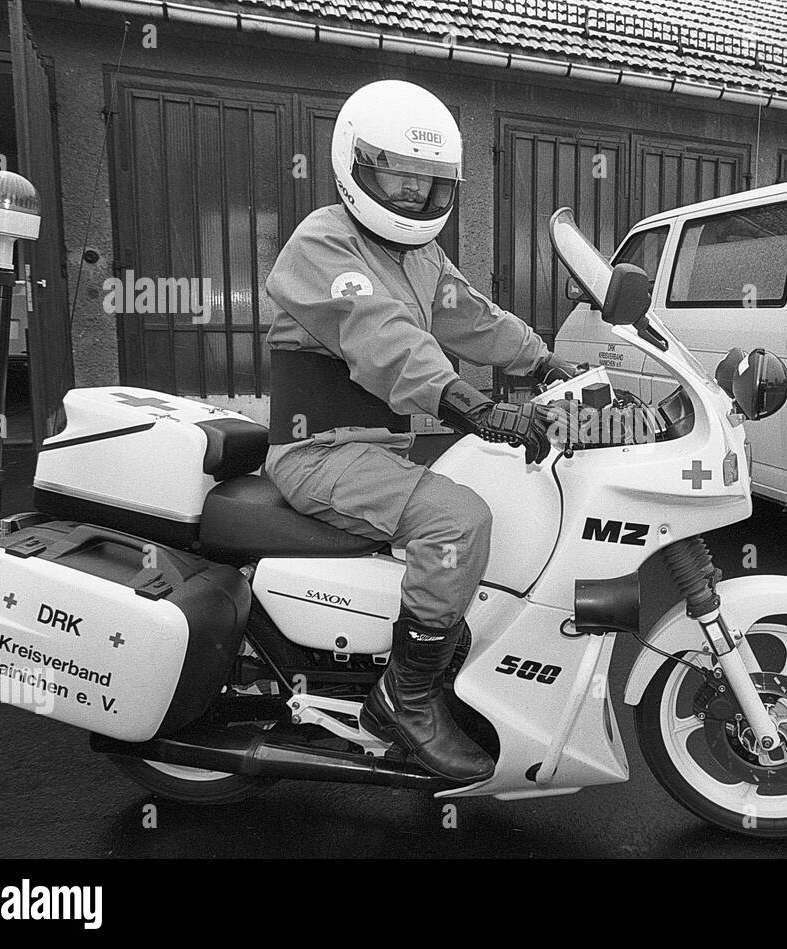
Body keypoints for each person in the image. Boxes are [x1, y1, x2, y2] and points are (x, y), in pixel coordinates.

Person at [263, 79, 577, 783]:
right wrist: (475, 406)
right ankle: (403, 701)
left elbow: (472, 316)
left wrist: (547, 360)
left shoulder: (418, 257)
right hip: (321, 453)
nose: (410, 193)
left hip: (370, 452)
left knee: (485, 497)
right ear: (356, 164)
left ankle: (435, 660)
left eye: (425, 179)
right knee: (459, 521)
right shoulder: (323, 243)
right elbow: (386, 340)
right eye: (397, 173)